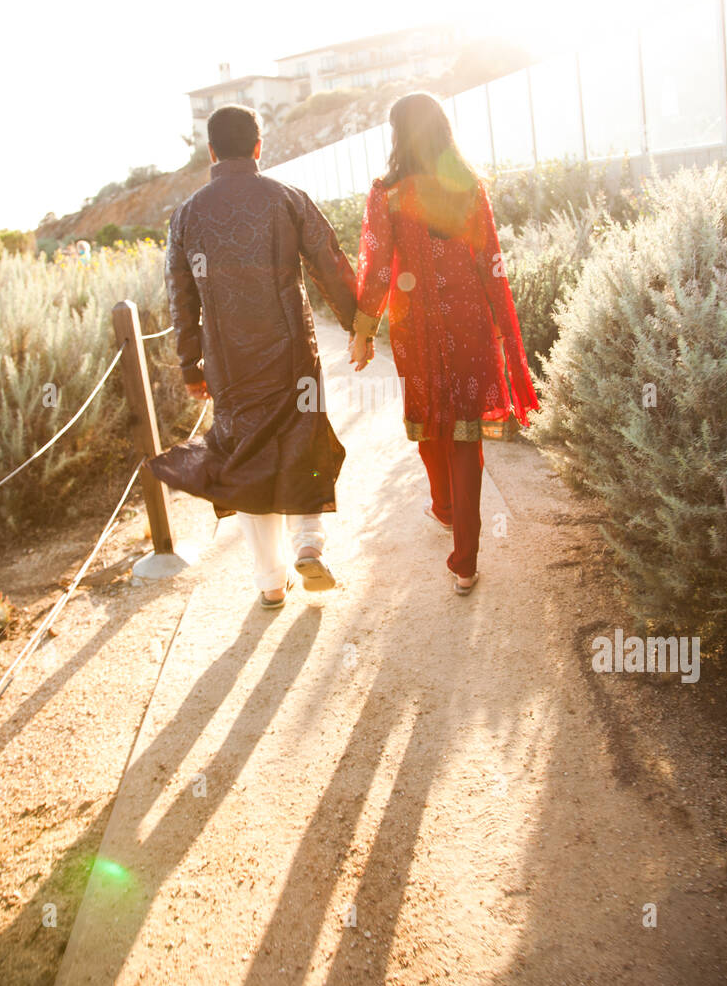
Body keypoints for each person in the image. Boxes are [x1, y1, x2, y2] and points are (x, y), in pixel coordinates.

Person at [145, 104, 357, 608]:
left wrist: (191, 364)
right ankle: (309, 543)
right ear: (259, 147)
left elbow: (182, 297)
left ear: (212, 152)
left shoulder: (186, 215)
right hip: (293, 355)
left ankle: (269, 580)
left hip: (230, 363)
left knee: (247, 460)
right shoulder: (286, 198)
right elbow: (328, 260)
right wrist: (357, 325)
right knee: (303, 438)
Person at [349, 91, 539, 594]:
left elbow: (377, 271)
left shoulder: (386, 193)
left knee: (434, 424)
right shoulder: (469, 188)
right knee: (463, 431)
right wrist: (502, 327)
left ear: (397, 135)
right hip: (470, 324)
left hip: (416, 328)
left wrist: (363, 331)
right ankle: (465, 555)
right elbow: (489, 262)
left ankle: (451, 518)